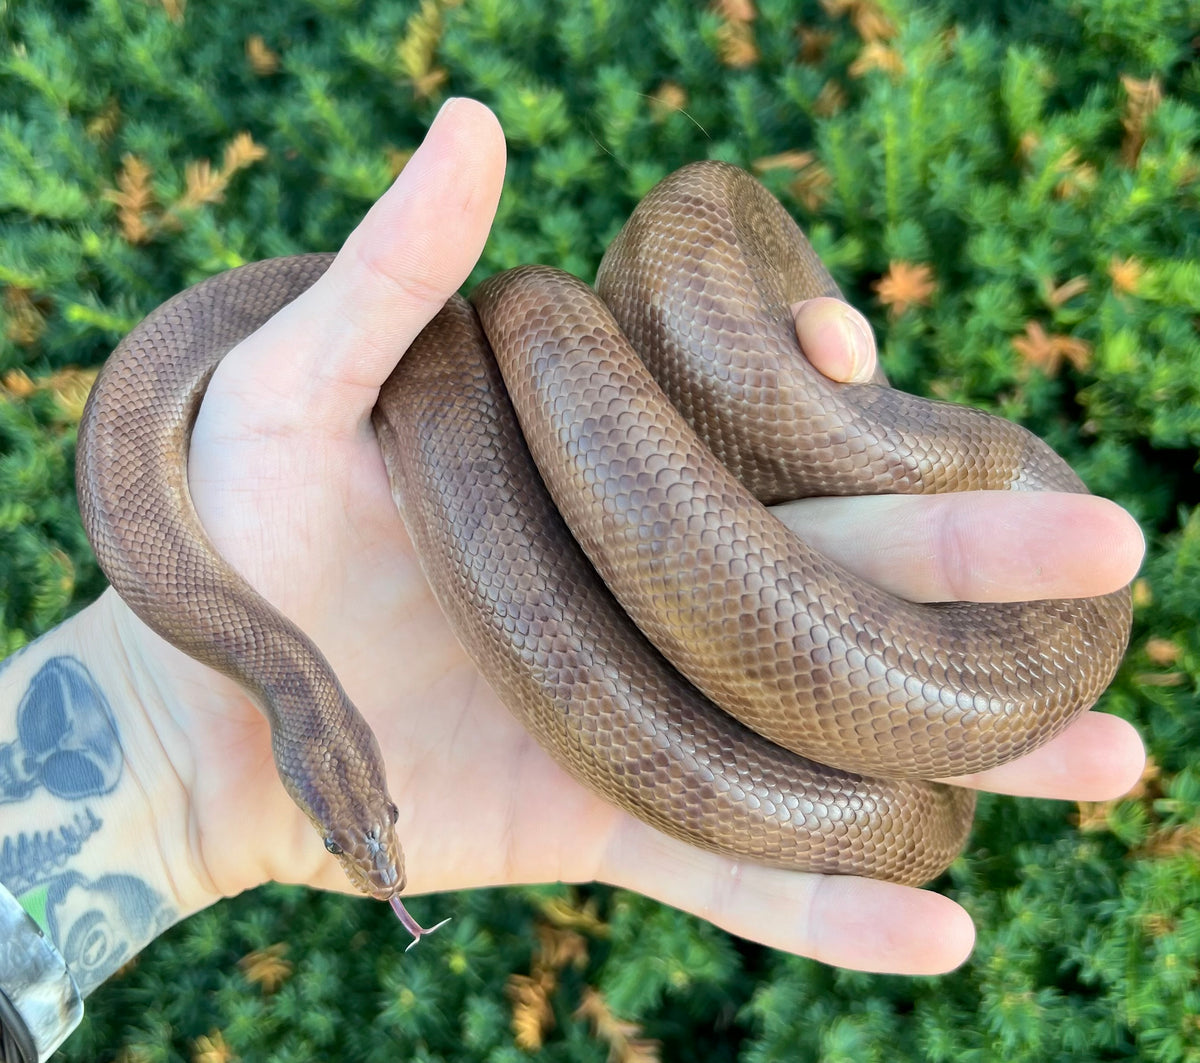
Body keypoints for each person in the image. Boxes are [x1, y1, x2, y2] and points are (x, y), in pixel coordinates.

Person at [0, 96, 1145, 1041]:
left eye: (367, 817)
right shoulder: (244, 628)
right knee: (691, 367)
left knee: (774, 396)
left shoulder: (230, 575)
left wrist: (158, 746)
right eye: (375, 824)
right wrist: (157, 746)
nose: (374, 857)